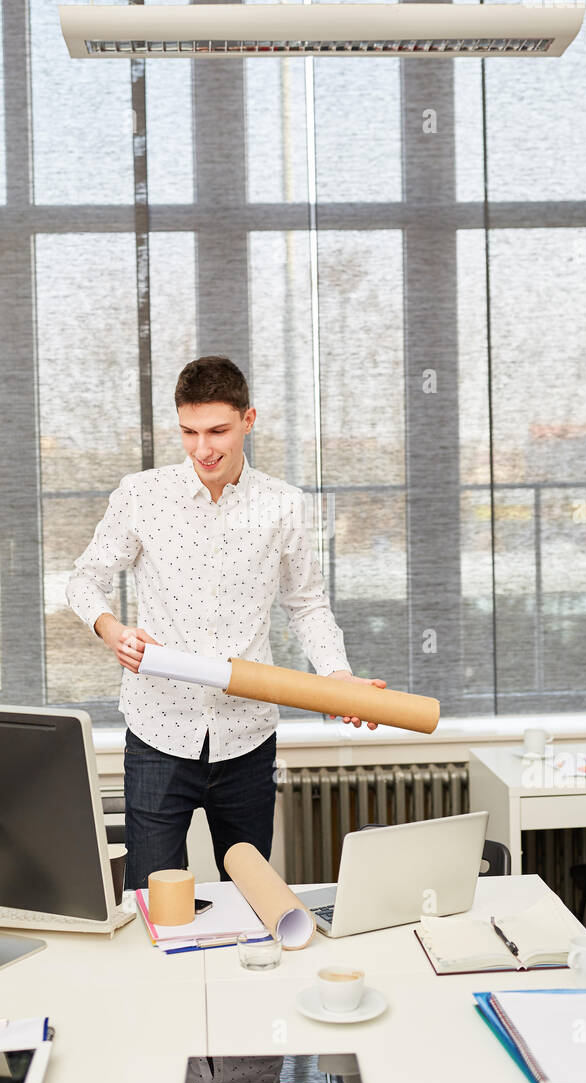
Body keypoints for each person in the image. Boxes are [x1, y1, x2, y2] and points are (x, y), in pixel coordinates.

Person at [65, 354, 385, 891]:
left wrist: (337, 677)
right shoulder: (141, 496)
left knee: (252, 898)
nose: (203, 448)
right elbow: (83, 579)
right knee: (152, 897)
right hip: (158, 732)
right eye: (189, 432)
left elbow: (306, 603)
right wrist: (112, 630)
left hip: (247, 738)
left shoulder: (283, 505)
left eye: (218, 430)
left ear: (249, 420)